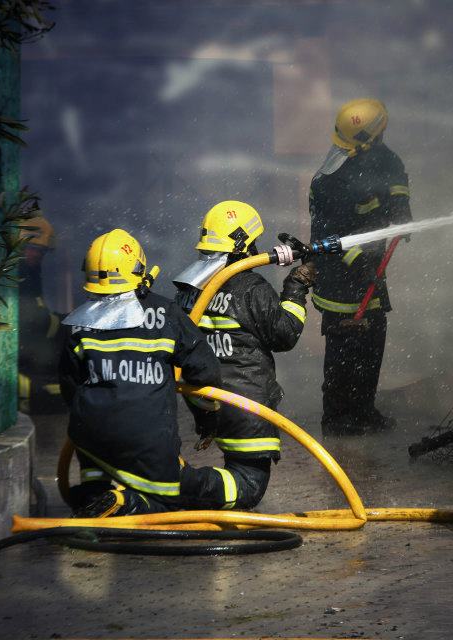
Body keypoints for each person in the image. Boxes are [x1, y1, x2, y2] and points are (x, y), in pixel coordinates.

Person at [59, 229, 221, 517]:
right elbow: (205, 370)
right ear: (138, 269)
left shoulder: (76, 322)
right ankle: (124, 504)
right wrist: (207, 415)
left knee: (91, 428)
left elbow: (69, 385)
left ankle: (94, 495)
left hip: (88, 436)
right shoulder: (165, 313)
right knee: (171, 500)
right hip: (146, 439)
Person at [173, 200, 315, 510]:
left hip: (204, 400)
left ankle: (168, 482)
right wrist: (296, 286)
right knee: (248, 487)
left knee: (236, 477)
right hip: (246, 404)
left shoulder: (188, 288)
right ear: (245, 244)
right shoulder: (251, 288)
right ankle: (180, 483)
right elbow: (284, 335)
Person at [309, 98, 413, 436]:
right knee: (343, 350)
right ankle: (337, 419)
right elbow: (328, 237)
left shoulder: (381, 156)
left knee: (372, 343)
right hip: (341, 277)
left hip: (372, 269)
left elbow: (395, 175)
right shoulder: (329, 180)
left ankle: (364, 411)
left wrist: (401, 207)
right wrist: (360, 265)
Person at [17, 213, 65, 413]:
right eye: (33, 249)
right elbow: (29, 317)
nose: (37, 255)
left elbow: (39, 309)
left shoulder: (32, 272)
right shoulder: (13, 274)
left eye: (42, 251)